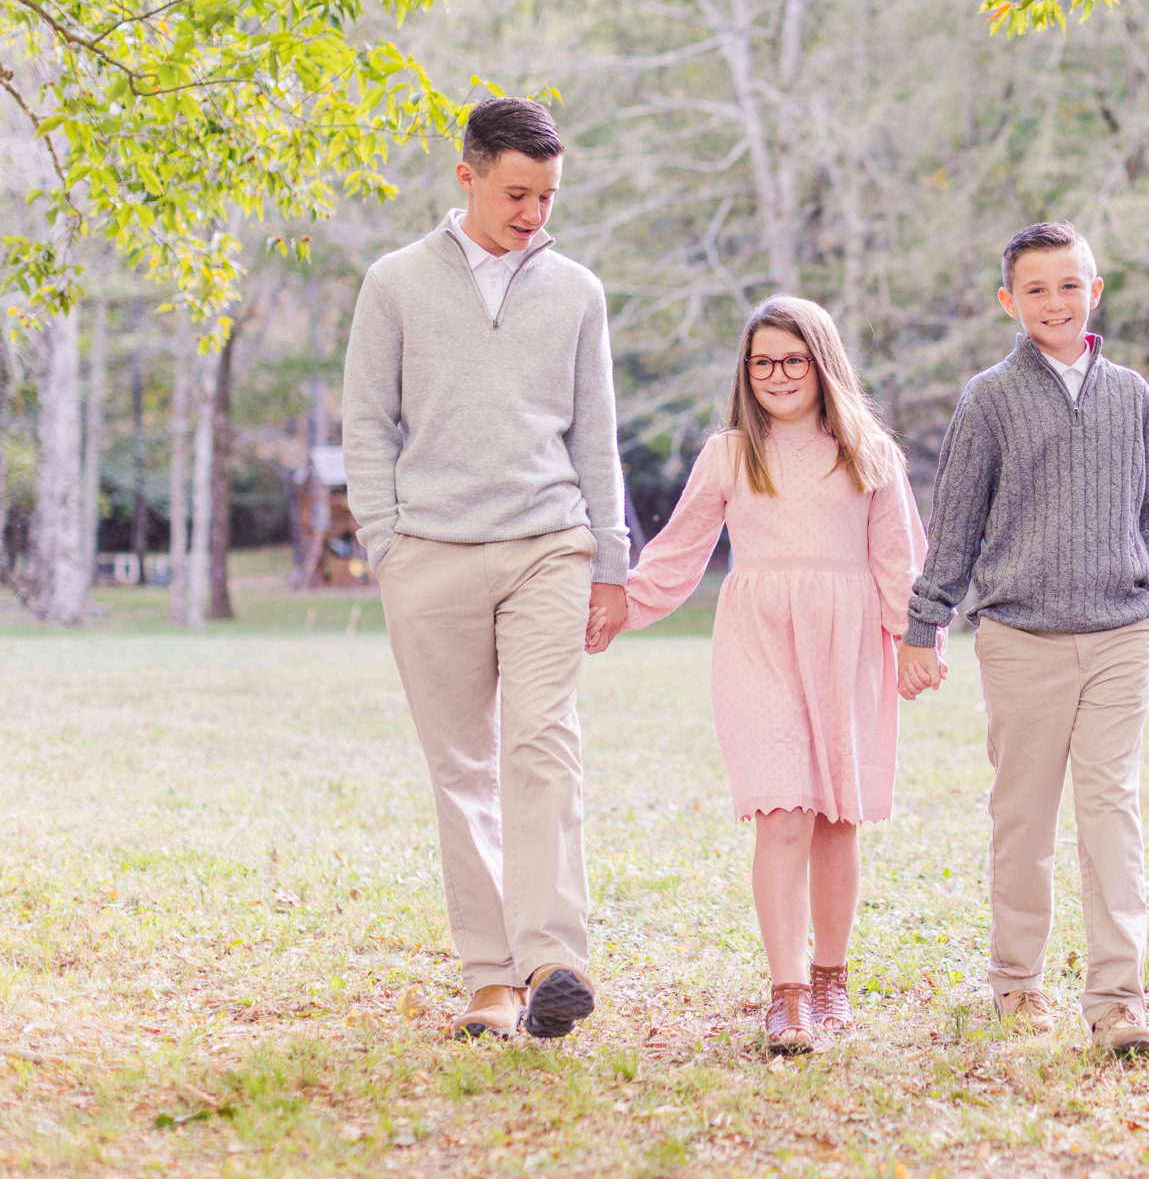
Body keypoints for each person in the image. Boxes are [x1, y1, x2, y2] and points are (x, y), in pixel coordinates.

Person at [342, 96, 628, 1042]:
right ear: (466, 176)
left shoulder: (578, 292)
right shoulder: (393, 283)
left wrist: (611, 559)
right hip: (430, 554)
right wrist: (386, 541)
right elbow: (365, 421)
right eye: (517, 192)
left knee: (543, 743)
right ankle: (491, 980)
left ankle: (553, 959)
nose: (533, 212)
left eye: (548, 196)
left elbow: (597, 434)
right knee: (461, 766)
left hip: (549, 544)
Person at [615, 296, 934, 1053]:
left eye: (793, 359)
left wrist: (919, 639)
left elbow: (900, 557)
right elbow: (675, 551)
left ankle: (832, 976)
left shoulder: (869, 452)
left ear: (822, 363)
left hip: (848, 639)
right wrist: (615, 609)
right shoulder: (729, 453)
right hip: (758, 638)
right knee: (783, 813)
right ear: (746, 371)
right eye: (763, 361)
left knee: (836, 819)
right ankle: (787, 991)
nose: (778, 374)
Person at [899, 221, 1149, 1055]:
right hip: (1021, 636)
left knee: (1110, 808)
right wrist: (926, 622)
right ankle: (1017, 983)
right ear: (1008, 302)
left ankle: (1117, 999)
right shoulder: (991, 397)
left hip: (1123, 630)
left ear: (1095, 290)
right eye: (1035, 289)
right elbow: (955, 521)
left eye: (1069, 284)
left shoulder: (1129, 392)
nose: (1054, 301)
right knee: (1023, 815)